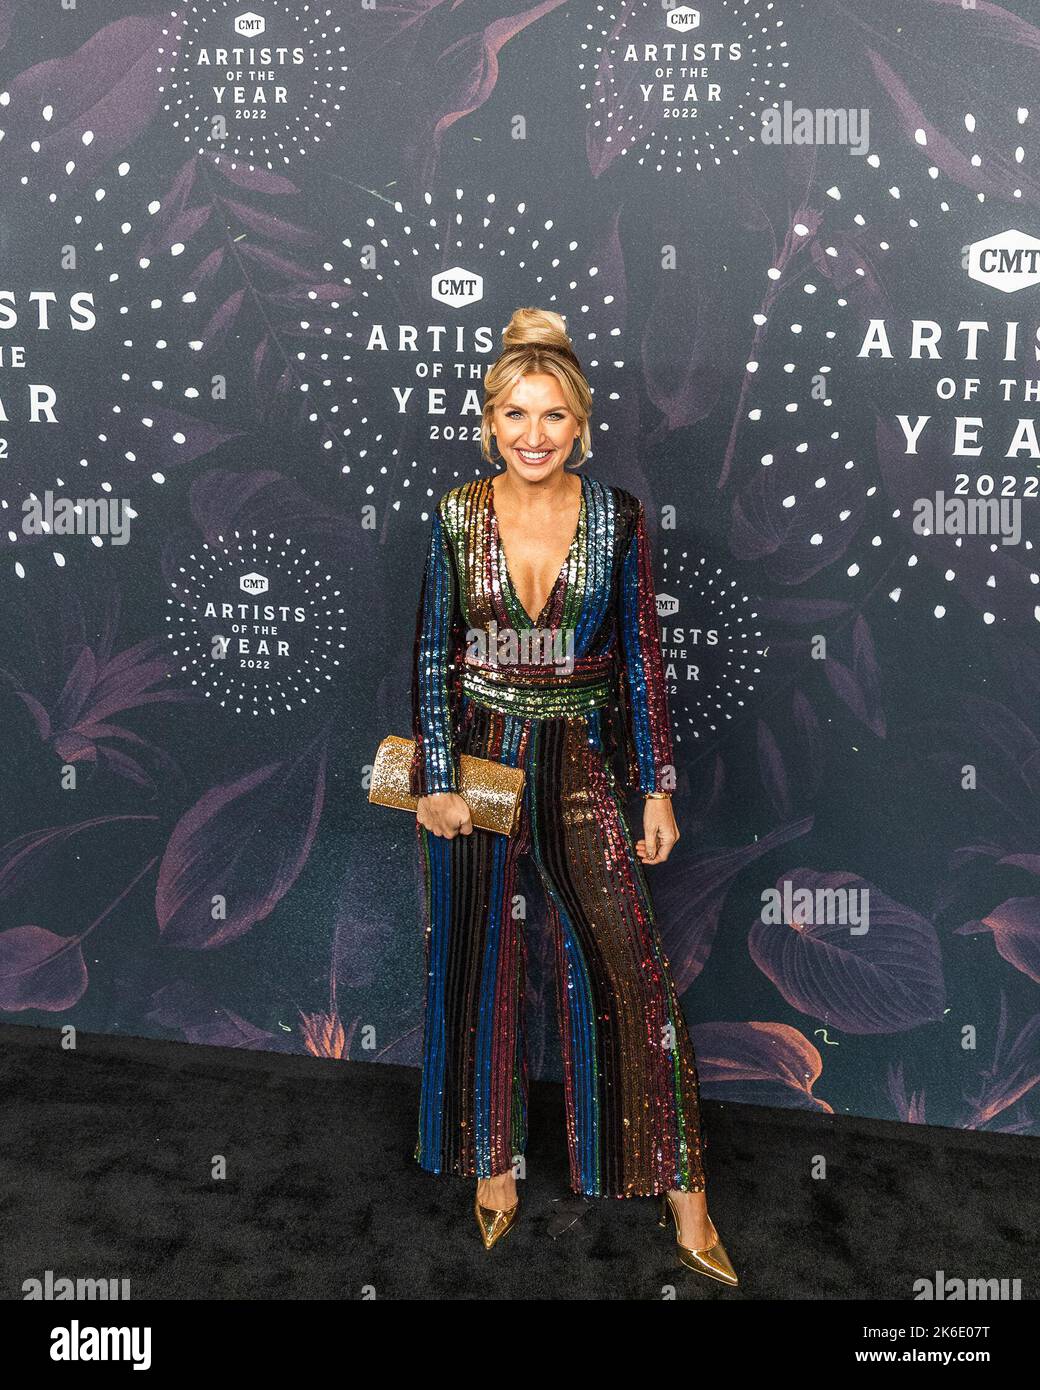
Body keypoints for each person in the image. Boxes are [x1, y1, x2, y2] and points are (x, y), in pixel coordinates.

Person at [408, 306, 737, 1285]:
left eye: (552, 415)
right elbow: (434, 652)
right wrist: (433, 778)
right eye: (514, 414)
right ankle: (493, 1166)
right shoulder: (458, 514)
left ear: (580, 422)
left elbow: (639, 659)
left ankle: (684, 1194)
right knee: (475, 962)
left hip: (584, 755)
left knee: (629, 970)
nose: (533, 435)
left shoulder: (617, 516)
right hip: (476, 755)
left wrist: (656, 788)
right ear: (488, 422)